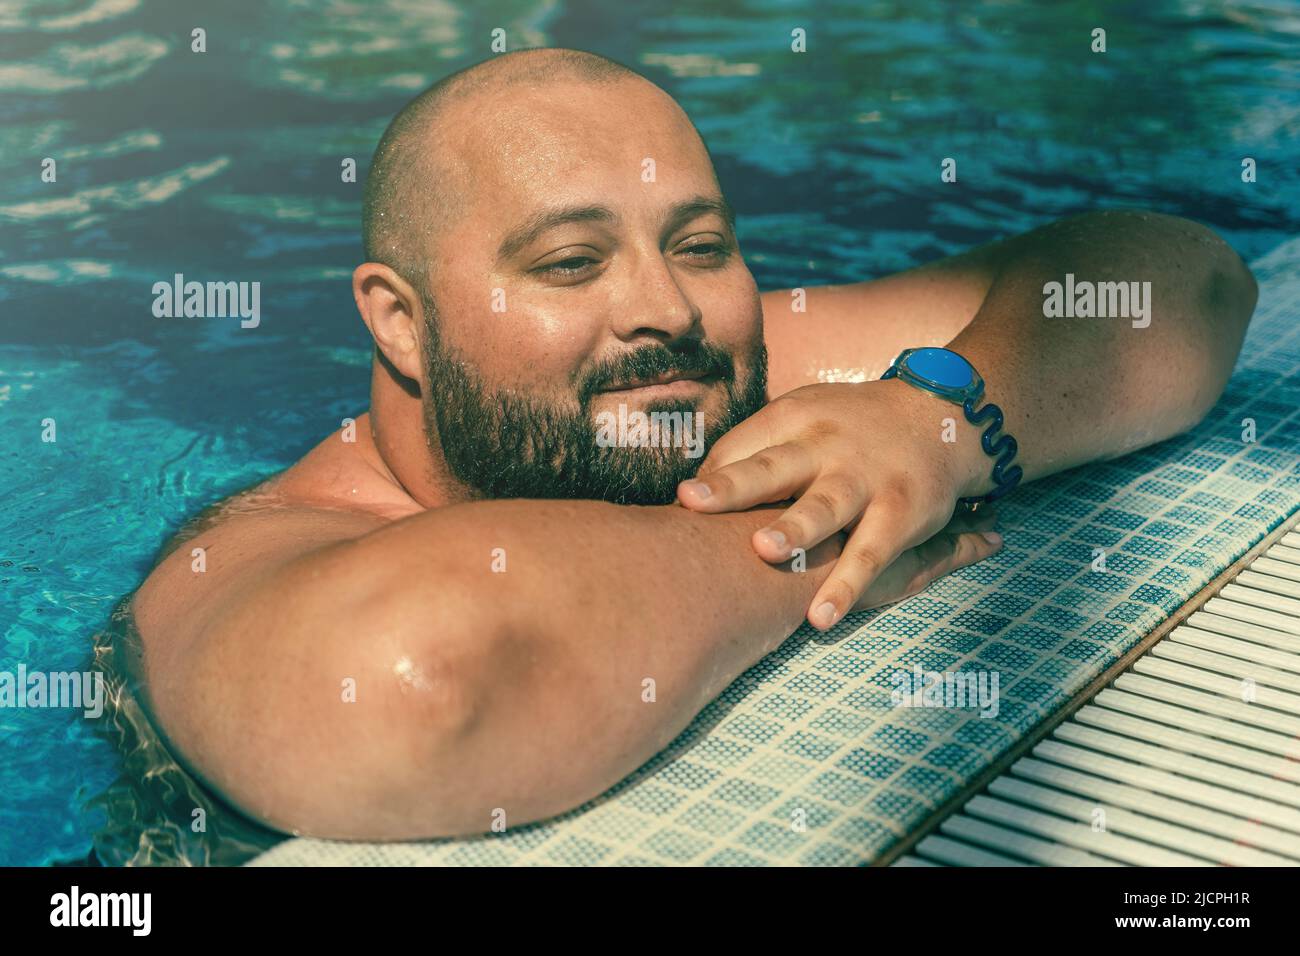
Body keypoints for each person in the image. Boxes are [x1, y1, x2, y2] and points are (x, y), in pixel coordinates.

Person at [129, 47, 1257, 841]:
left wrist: (933, 424)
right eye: (571, 263)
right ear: (399, 323)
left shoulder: (697, 370)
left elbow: (1188, 281)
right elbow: (416, 684)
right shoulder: (256, 556)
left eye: (702, 244)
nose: (662, 306)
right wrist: (819, 519)